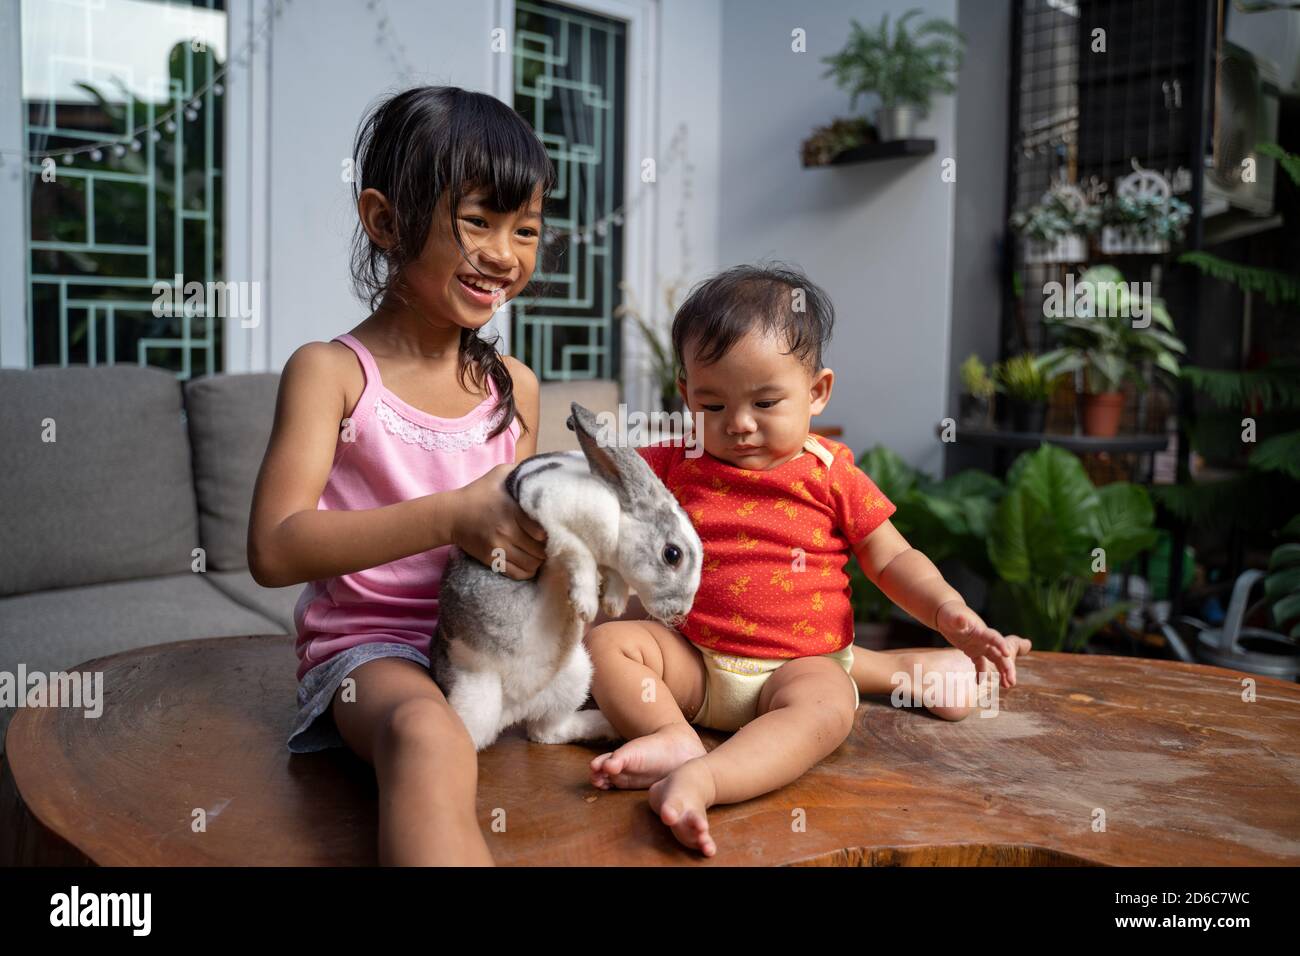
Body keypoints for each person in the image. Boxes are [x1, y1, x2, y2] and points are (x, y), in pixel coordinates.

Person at [585, 264, 1033, 856]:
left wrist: (947, 608)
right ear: (685, 392)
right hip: (693, 661)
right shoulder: (672, 461)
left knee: (827, 708)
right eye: (711, 404)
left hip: (797, 668)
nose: (738, 425)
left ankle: (708, 778)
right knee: (609, 646)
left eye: (766, 401)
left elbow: (892, 556)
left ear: (817, 391)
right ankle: (673, 738)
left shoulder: (830, 472)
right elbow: (599, 483)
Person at [247, 86, 554, 865]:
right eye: (478, 220)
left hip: (485, 649)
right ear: (384, 221)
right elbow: (275, 550)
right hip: (374, 654)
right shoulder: (332, 374)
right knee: (426, 732)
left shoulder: (514, 388)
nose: (504, 254)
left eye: (526, 229)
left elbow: (508, 558)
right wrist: (451, 515)